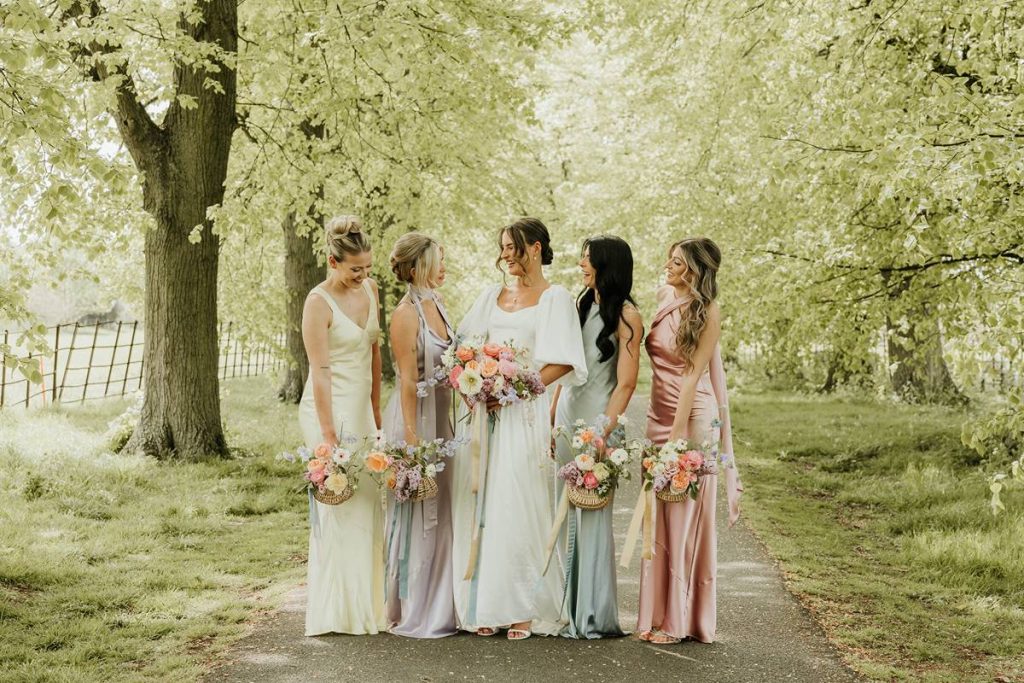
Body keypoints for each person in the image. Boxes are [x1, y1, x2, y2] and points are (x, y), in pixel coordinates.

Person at [450, 217, 587, 640]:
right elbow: (466, 349)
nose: (506, 254)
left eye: (513, 246)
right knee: (484, 504)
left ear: (536, 248)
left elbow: (564, 361)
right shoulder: (491, 295)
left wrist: (516, 387)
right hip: (486, 413)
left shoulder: (554, 298)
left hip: (524, 413)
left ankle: (523, 606)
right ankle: (487, 603)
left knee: (518, 500)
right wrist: (477, 381)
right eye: (503, 247)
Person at [637, 236, 742, 645]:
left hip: (692, 418)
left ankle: (679, 622)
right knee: (657, 514)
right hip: (657, 415)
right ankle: (656, 613)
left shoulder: (708, 311)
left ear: (696, 270)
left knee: (683, 519)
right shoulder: (664, 295)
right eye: (669, 258)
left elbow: (694, 375)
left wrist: (677, 437)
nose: (668, 265)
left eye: (677, 262)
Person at [298, 215, 387, 636]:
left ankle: (369, 609)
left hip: (363, 409)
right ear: (333, 262)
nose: (364, 275)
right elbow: (320, 370)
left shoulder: (370, 290)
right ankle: (336, 612)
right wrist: (329, 437)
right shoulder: (318, 303)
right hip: (328, 409)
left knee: (367, 503)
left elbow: (374, 354)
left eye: (368, 268)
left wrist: (377, 410)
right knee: (339, 507)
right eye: (355, 269)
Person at [552, 235, 643, 639]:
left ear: (607, 265)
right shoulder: (581, 305)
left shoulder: (627, 316)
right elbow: (566, 368)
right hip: (568, 418)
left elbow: (625, 384)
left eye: (587, 259)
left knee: (592, 515)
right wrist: (552, 416)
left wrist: (603, 434)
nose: (580, 264)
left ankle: (591, 615)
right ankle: (564, 608)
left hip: (600, 424)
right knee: (564, 511)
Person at [382, 232, 457, 638]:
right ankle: (413, 606)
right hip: (415, 421)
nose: (443, 267)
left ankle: (444, 601)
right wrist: (412, 442)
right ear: (415, 269)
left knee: (443, 509)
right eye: (436, 261)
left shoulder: (439, 304)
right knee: (418, 512)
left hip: (443, 420)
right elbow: (408, 382)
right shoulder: (405, 314)